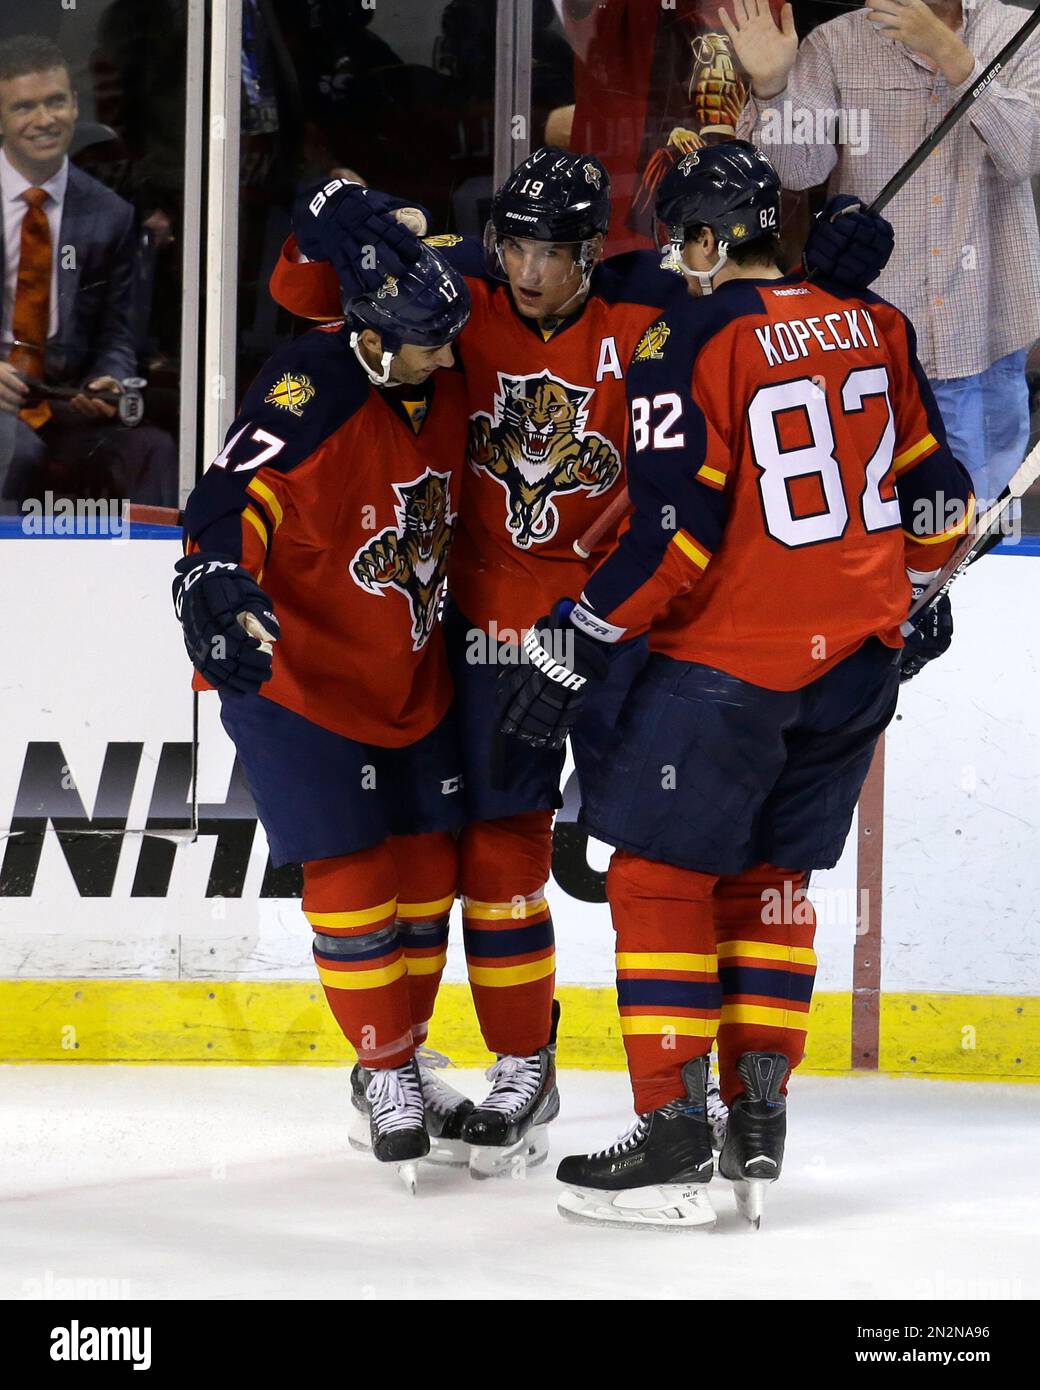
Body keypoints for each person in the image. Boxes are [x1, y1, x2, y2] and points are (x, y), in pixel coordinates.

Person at [267, 151, 894, 1178]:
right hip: (473, 622)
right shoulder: (459, 282)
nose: (526, 267)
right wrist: (332, 219)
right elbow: (304, 291)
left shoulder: (653, 295)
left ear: (593, 249)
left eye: (550, 250)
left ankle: (577, 1071)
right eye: (512, 242)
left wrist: (826, 276)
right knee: (458, 856)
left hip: (616, 624)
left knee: (650, 865)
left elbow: (757, 303)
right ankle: (416, 1061)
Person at [499, 142, 975, 1230]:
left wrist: (574, 634)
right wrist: (911, 595)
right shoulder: (878, 323)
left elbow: (674, 544)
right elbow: (931, 497)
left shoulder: (688, 339)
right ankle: (756, 1112)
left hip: (730, 667)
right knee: (770, 883)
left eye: (680, 242)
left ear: (712, 239)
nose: (673, 262)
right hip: (855, 665)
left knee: (656, 882)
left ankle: (671, 1126)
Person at [173, 245, 473, 1193]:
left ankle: (404, 1051)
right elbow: (236, 493)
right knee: (350, 876)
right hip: (296, 674)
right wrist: (217, 571)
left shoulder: (440, 365)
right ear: (371, 339)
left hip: (406, 666)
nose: (446, 358)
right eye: (426, 346)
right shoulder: (314, 385)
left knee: (427, 872)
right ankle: (384, 1075)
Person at [730, 0, 1040, 506]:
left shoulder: (1018, 30)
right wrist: (772, 89)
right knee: (873, 509)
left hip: (984, 327)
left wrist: (952, 56)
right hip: (870, 337)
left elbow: (1027, 151)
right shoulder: (835, 42)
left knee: (981, 520)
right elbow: (797, 169)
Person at [0, 33, 175, 509]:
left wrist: (110, 379)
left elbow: (120, 334)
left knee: (152, 452)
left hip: (63, 406)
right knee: (11, 447)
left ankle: (163, 582)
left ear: (76, 105)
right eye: (23, 107)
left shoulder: (110, 214)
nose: (44, 120)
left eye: (56, 101)